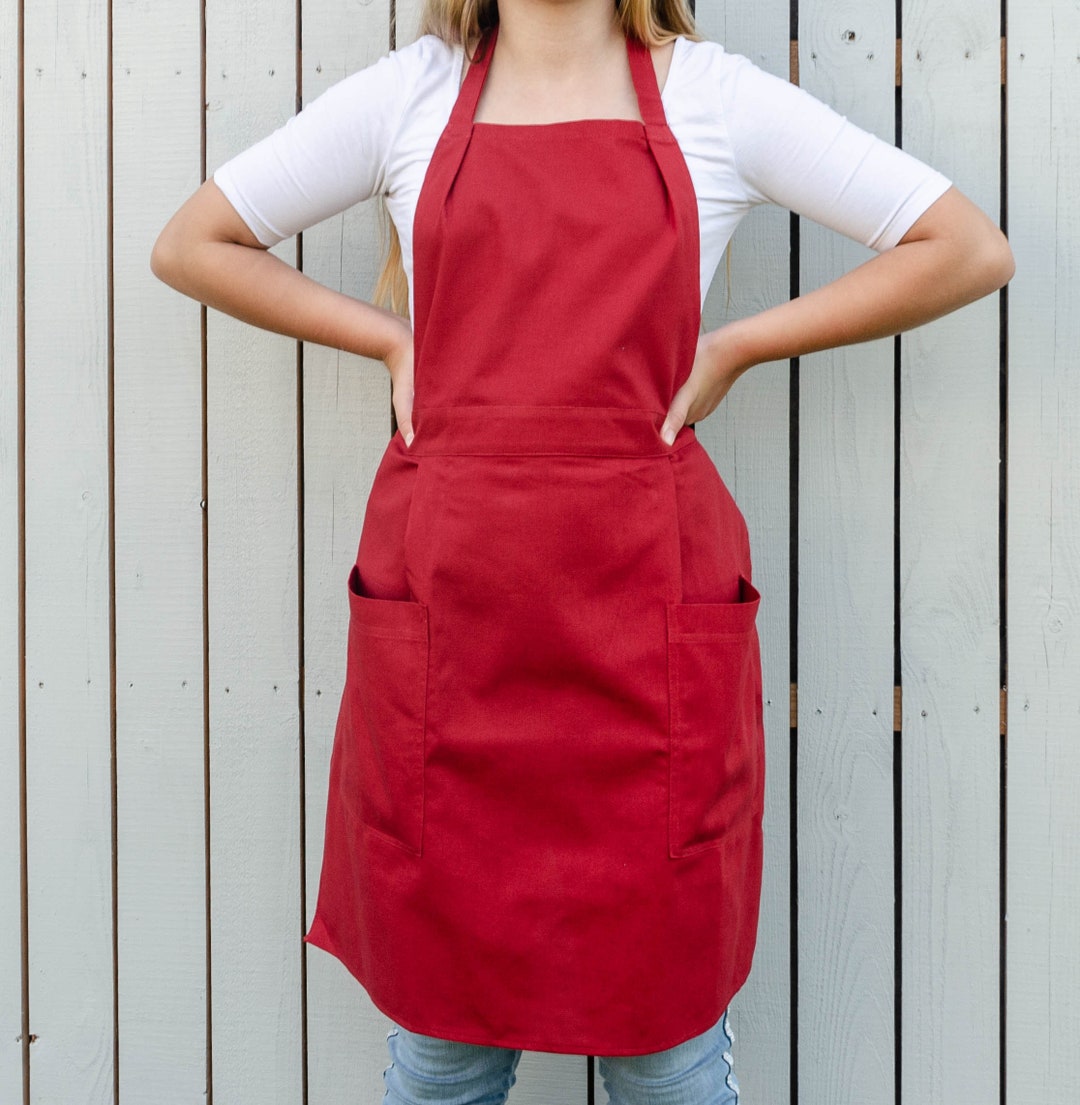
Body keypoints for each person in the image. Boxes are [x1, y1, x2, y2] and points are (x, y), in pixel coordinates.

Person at [151, 0, 1014, 1100]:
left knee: (666, 1056)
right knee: (443, 1056)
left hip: (641, 639)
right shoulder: (412, 95)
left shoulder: (712, 98)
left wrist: (740, 344)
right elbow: (191, 244)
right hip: (450, 643)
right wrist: (386, 335)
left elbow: (967, 247)